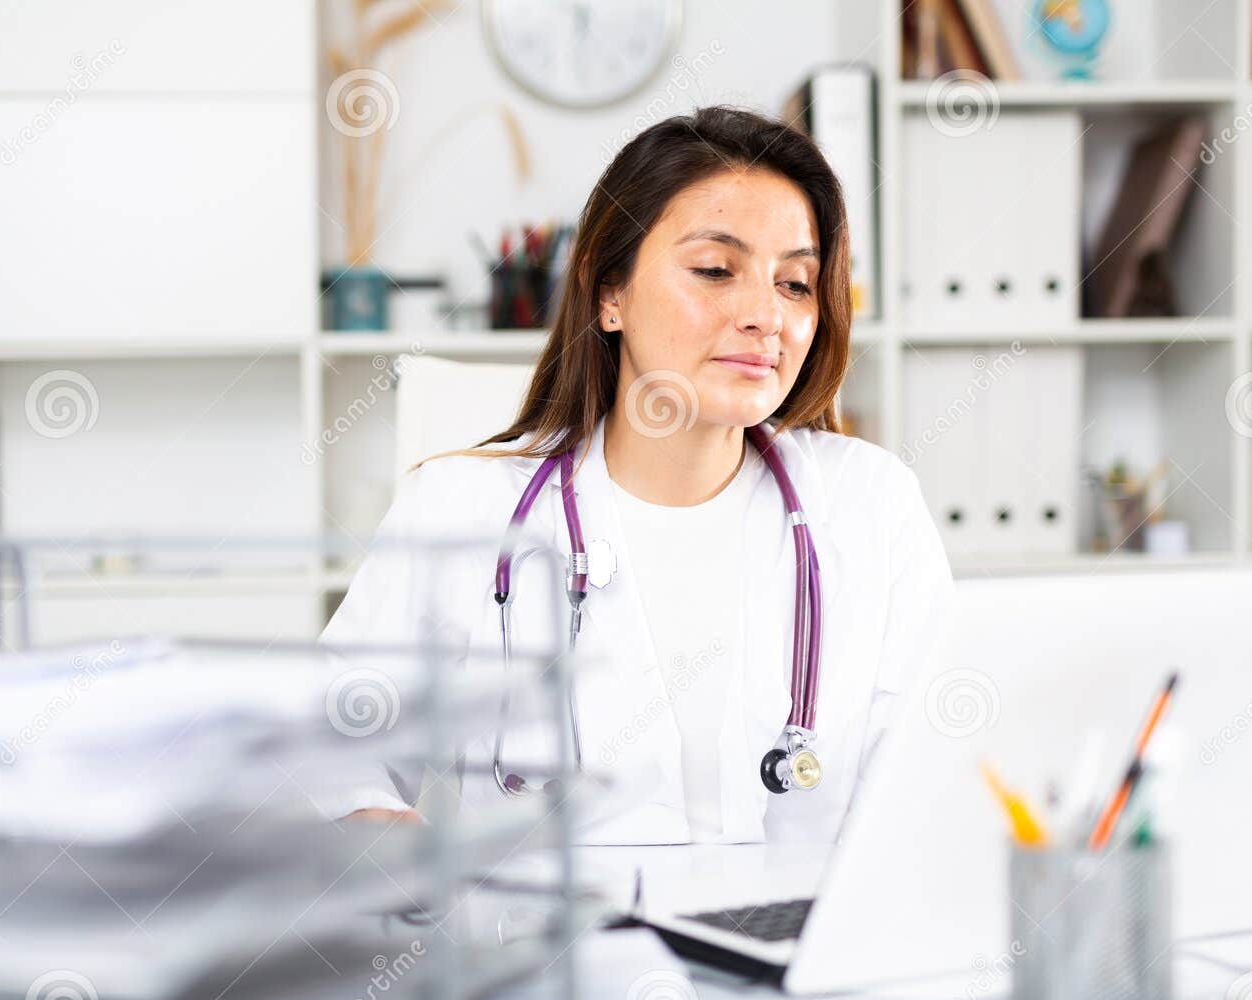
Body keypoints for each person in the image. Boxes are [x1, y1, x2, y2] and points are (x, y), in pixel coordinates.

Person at [316, 105, 954, 845]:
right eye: (717, 270)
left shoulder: (870, 502)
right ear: (608, 294)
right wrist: (375, 827)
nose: (764, 316)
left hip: (807, 953)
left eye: (796, 284)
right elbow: (322, 753)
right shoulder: (460, 508)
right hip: (548, 950)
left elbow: (937, 780)